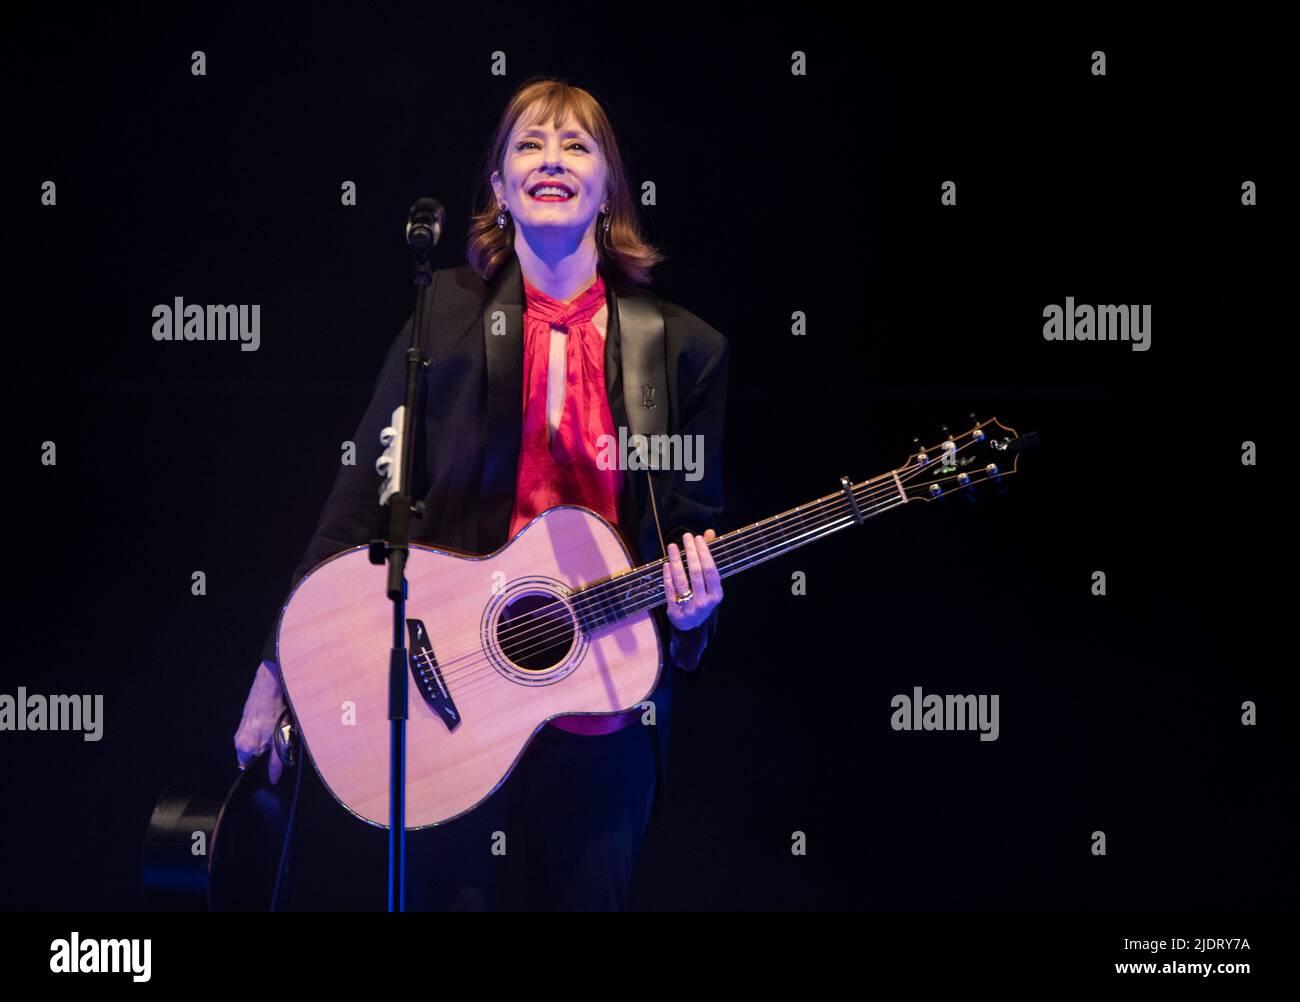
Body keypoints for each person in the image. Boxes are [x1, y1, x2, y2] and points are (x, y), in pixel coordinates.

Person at [233, 76, 729, 910]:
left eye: (578, 146)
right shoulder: (444, 319)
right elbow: (361, 497)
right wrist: (278, 664)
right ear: (498, 187)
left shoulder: (683, 349)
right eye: (529, 144)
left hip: (602, 706)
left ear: (609, 187)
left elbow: (692, 535)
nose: (552, 160)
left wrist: (693, 614)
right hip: (450, 697)